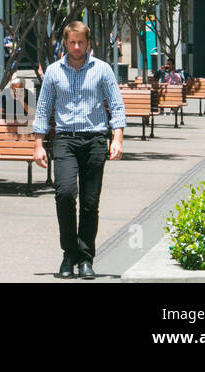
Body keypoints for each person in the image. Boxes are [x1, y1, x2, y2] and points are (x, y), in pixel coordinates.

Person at [32, 20, 125, 280]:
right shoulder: (53, 71)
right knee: (64, 193)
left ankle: (85, 258)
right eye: (72, 42)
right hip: (65, 140)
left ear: (88, 43)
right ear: (65, 42)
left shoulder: (103, 70)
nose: (76, 47)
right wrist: (38, 143)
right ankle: (68, 254)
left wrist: (117, 138)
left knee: (89, 202)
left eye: (80, 42)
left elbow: (116, 106)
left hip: (95, 140)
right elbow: (43, 109)